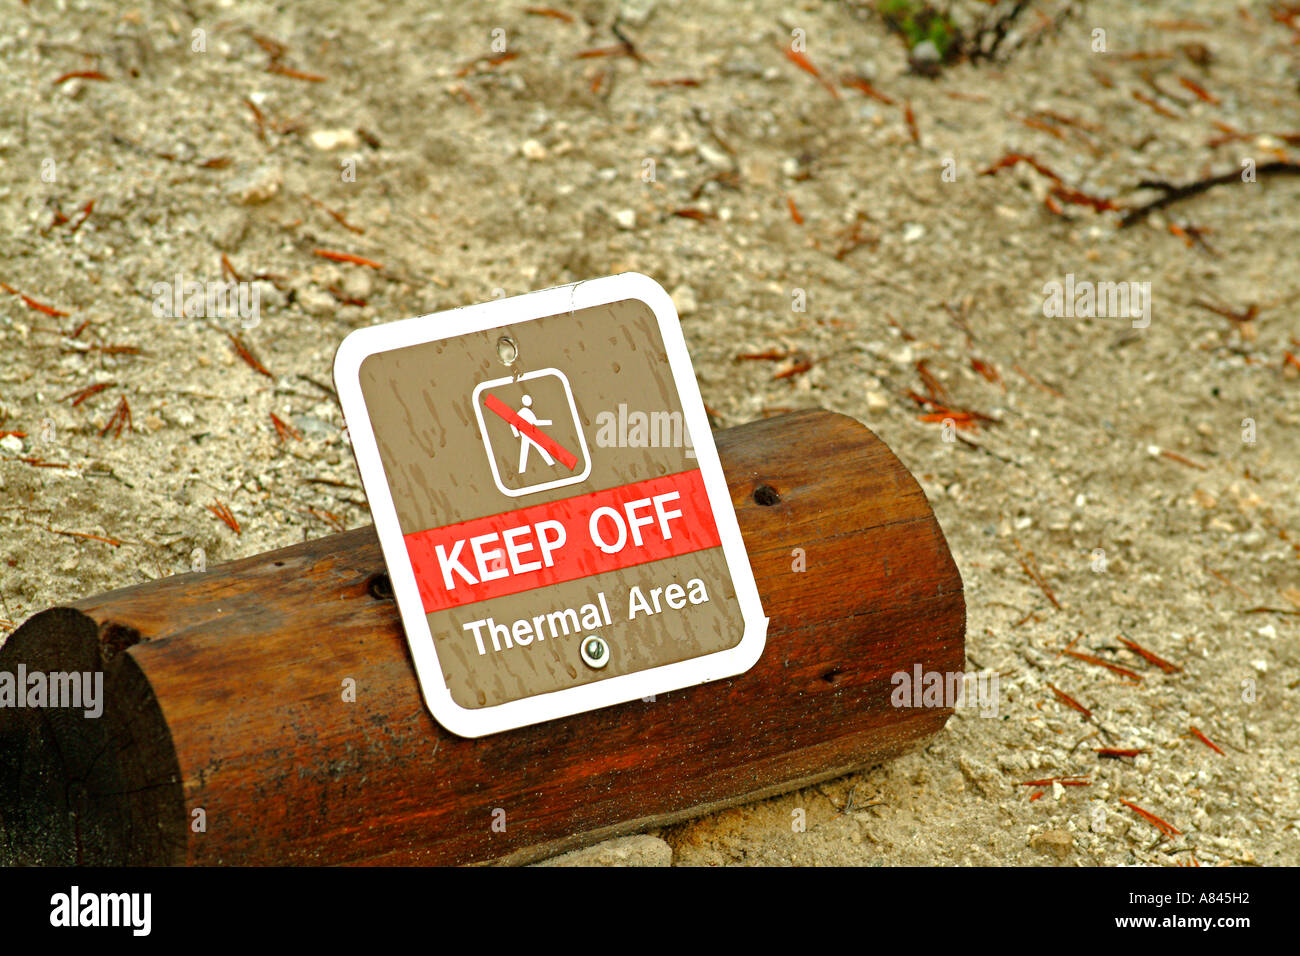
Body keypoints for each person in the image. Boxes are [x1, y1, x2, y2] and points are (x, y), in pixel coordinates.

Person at [512, 394, 554, 472]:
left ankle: (521, 469)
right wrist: (549, 422)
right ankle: (550, 462)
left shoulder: (521, 412)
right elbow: (536, 422)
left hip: (525, 434)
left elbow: (513, 423)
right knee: (539, 447)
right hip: (530, 433)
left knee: (525, 450)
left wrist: (516, 435)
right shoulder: (528, 412)